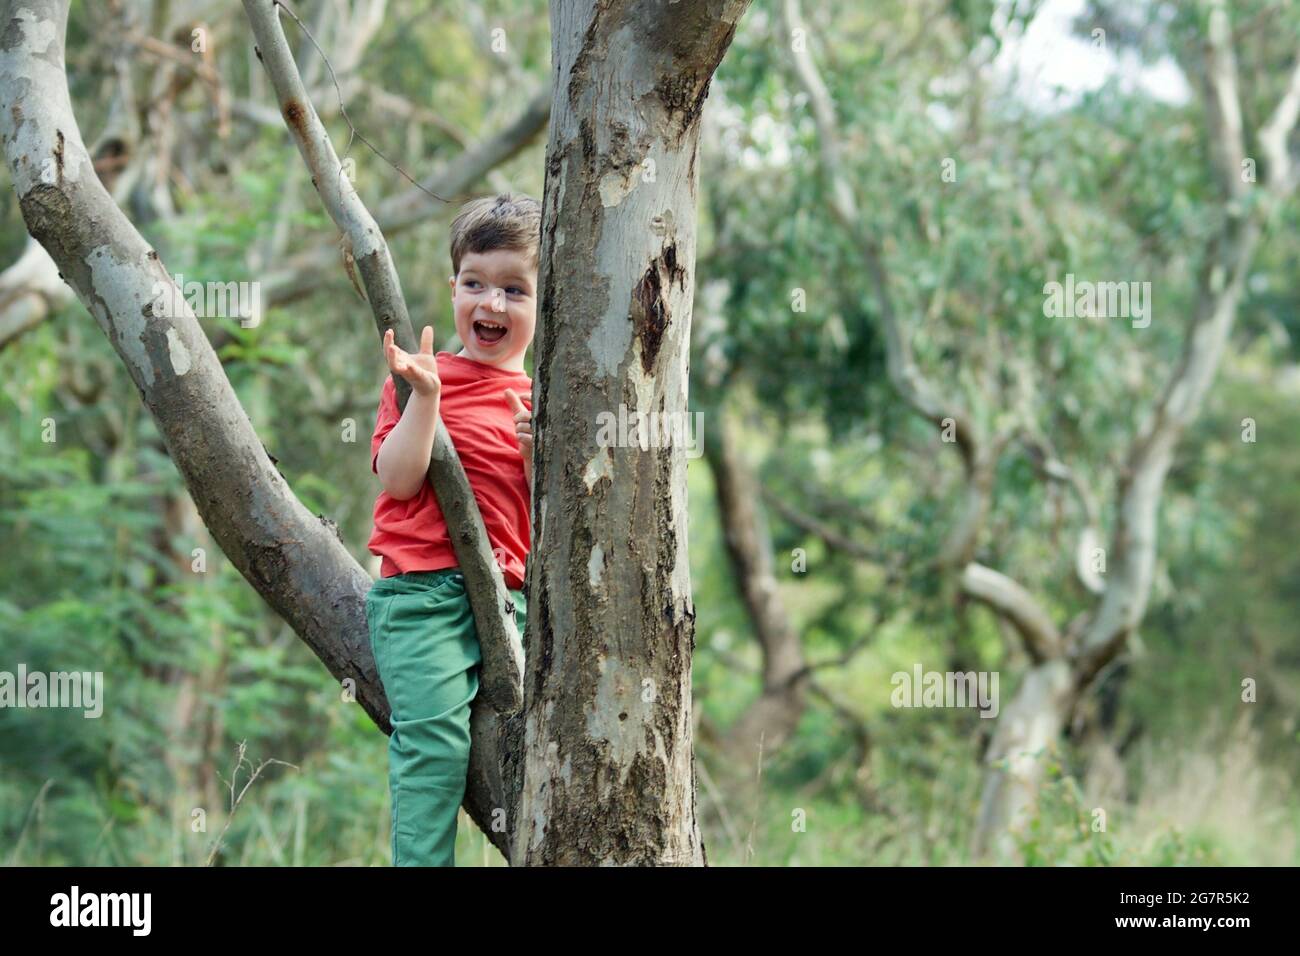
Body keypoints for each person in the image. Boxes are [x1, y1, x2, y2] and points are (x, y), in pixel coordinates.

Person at [365, 193, 540, 865]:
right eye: (476, 284)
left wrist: (535, 457)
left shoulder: (544, 398)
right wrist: (427, 400)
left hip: (513, 606)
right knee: (436, 749)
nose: (491, 304)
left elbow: (554, 526)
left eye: (513, 290)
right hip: (426, 602)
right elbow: (399, 478)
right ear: (454, 287)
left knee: (537, 757)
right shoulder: (418, 378)